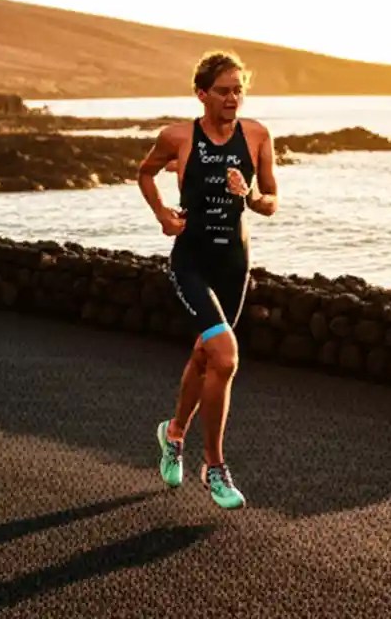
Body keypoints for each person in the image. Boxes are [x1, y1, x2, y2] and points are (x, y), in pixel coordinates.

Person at [136, 50, 279, 509]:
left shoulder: (257, 136)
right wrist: (162, 214)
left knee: (206, 356)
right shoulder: (178, 137)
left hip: (234, 264)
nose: (233, 98)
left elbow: (272, 200)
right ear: (202, 94)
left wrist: (250, 194)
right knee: (225, 355)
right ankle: (214, 467)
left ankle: (174, 433)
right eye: (223, 91)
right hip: (192, 261)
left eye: (239, 90)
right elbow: (145, 173)